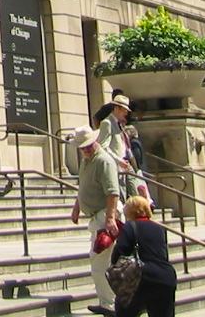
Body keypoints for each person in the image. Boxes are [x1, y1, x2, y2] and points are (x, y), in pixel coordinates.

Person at [70, 124, 123, 316]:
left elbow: (112, 192)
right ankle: (108, 302)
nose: (85, 150)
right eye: (82, 147)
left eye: (88, 146)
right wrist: (77, 207)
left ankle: (110, 304)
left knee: (100, 261)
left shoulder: (104, 161)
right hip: (97, 216)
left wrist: (110, 218)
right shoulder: (87, 160)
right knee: (101, 261)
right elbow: (83, 186)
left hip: (104, 215)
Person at [112, 194, 177, 317]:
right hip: (165, 277)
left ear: (129, 212)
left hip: (141, 278)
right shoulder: (160, 228)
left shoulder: (129, 227)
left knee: (124, 311)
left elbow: (119, 254)